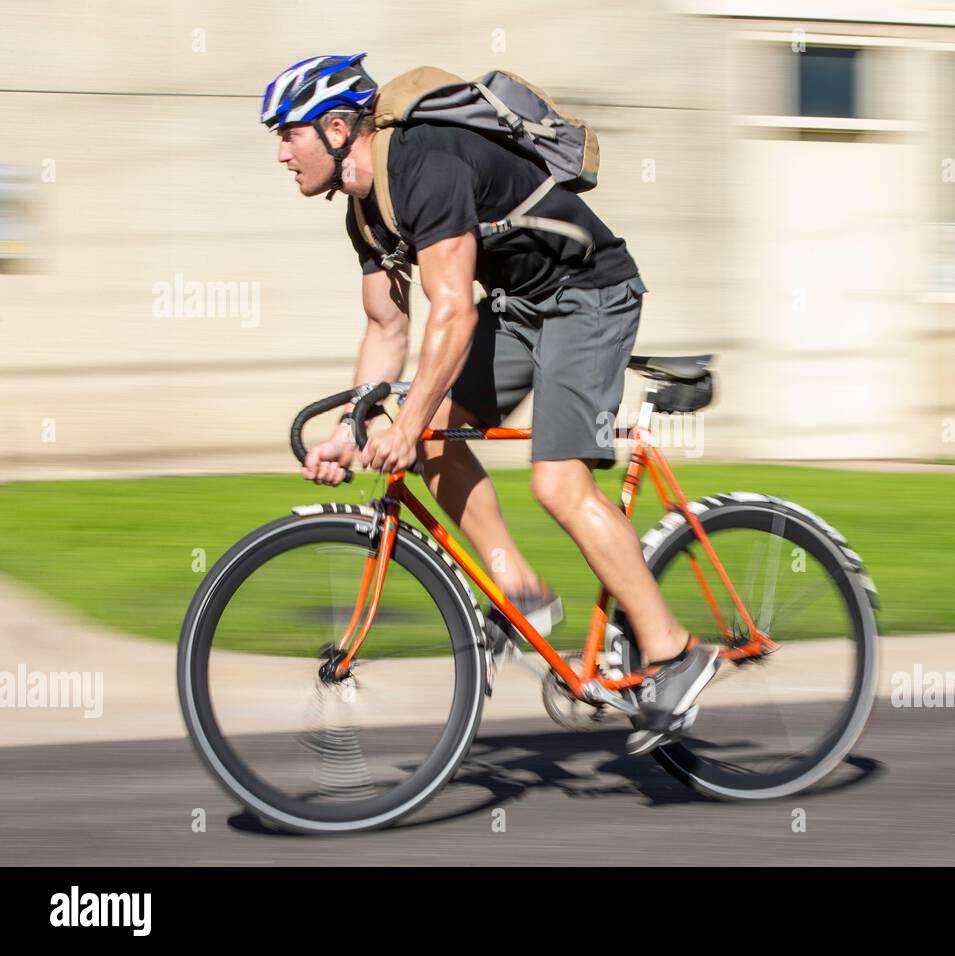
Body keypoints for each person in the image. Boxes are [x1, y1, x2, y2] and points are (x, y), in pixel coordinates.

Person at [261, 53, 718, 753]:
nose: (281, 155)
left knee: (556, 481)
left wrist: (406, 425)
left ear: (332, 128)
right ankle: (520, 591)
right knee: (439, 439)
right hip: (520, 306)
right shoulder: (365, 212)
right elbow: (388, 328)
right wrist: (350, 429)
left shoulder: (421, 164)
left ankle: (674, 652)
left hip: (588, 294)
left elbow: (454, 312)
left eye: (286, 135)